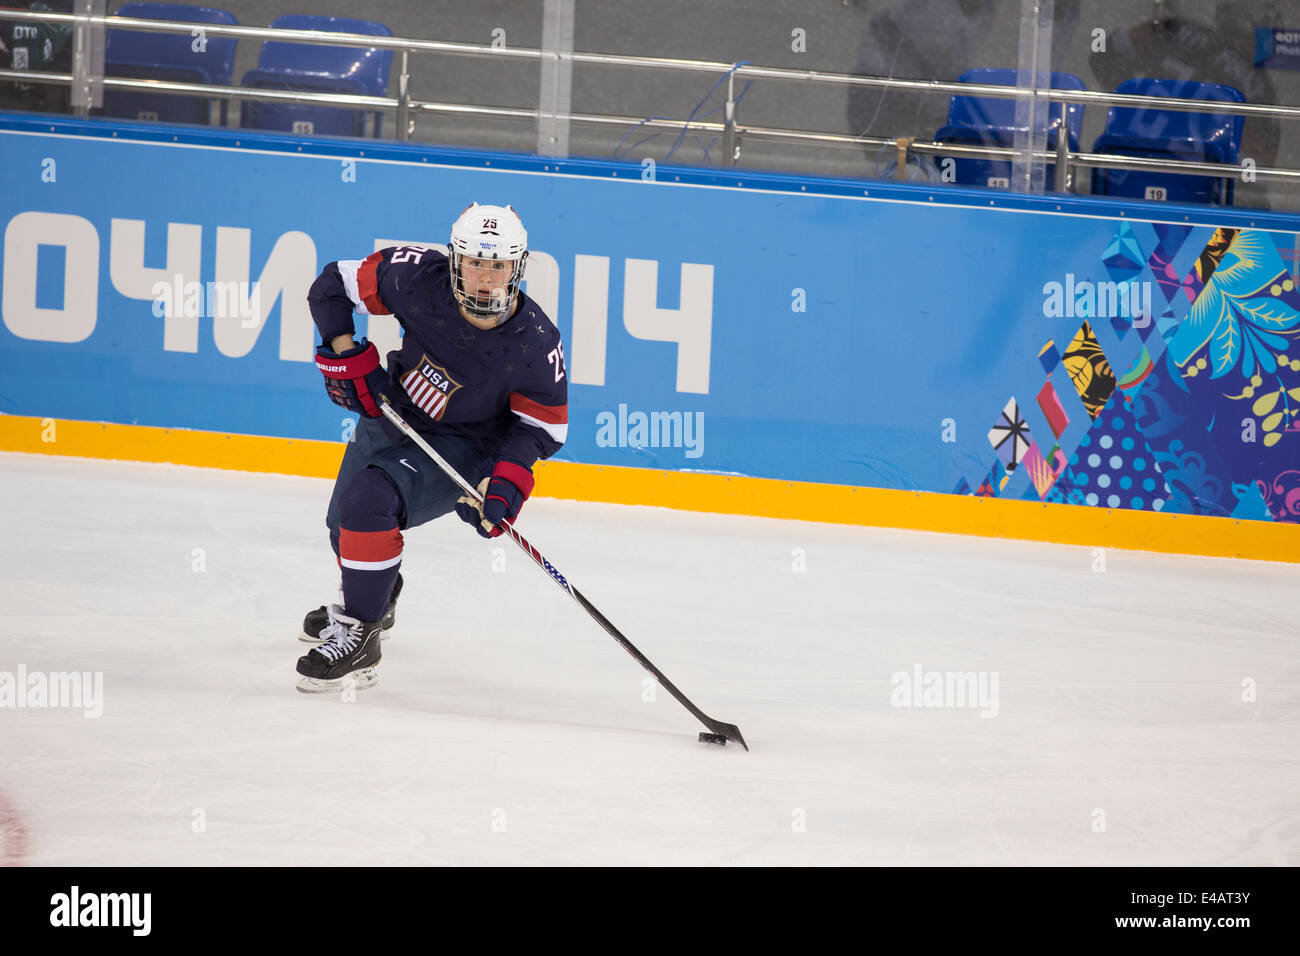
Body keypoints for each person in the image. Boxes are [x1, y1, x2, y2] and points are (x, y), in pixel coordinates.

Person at [297, 203, 568, 693]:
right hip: (394, 412)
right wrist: (345, 354)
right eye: (475, 263)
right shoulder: (416, 277)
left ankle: (360, 634)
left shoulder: (535, 342)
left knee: (368, 505)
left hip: (465, 445)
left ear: (518, 268)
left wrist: (506, 481)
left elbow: (538, 428)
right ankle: (375, 599)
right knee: (343, 528)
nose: (486, 278)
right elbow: (331, 285)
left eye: (499, 265)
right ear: (454, 260)